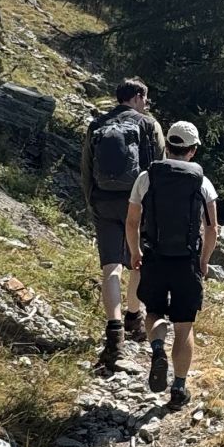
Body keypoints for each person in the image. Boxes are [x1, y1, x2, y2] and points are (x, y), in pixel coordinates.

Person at [124, 118, 219, 410]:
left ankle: (156, 346)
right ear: (192, 150)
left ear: (168, 145)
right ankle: (178, 387)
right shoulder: (202, 182)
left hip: (154, 257)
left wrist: (135, 252)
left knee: (152, 312)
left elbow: (132, 221)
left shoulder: (146, 178)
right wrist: (204, 261)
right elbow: (213, 228)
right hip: (186, 263)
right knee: (185, 326)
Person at [81, 77, 164, 372]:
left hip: (103, 201)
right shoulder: (148, 124)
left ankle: (114, 332)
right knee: (136, 261)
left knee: (110, 267)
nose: (147, 103)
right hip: (137, 202)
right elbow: (160, 165)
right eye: (146, 98)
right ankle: (134, 316)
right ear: (138, 97)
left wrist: (93, 201)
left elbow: (87, 169)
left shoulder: (98, 124)